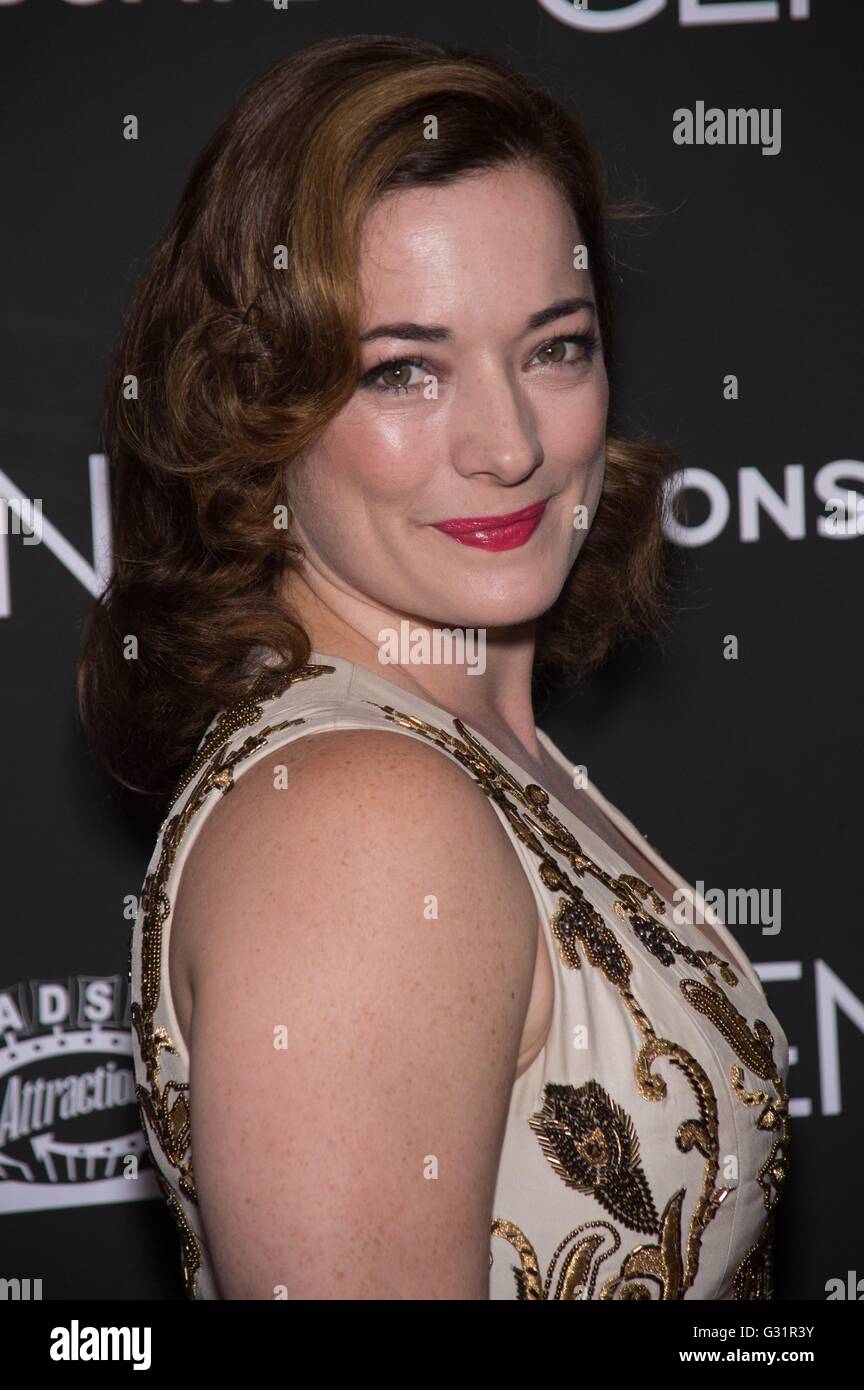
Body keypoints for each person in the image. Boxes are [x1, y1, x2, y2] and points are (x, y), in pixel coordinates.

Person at [77, 34, 790, 1300]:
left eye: (553, 346)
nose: (509, 444)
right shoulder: (364, 822)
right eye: (405, 369)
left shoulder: (449, 751)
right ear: (260, 405)